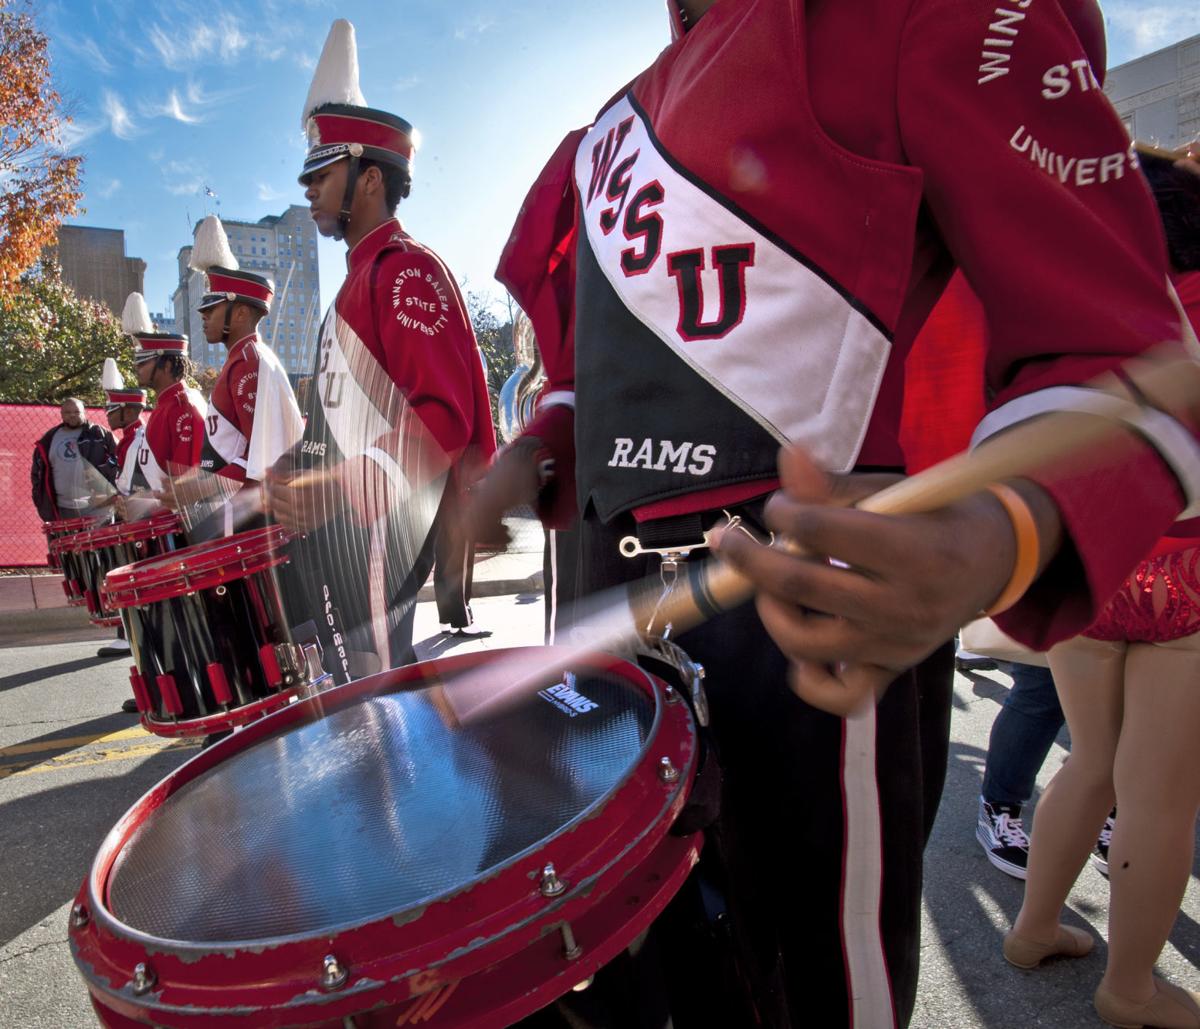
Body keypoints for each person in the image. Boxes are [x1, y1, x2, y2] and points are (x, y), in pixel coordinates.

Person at [472, 2, 1199, 1026]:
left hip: (803, 617)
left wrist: (1002, 531)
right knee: (632, 966)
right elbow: (592, 369)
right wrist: (530, 450)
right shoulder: (601, 132)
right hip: (602, 613)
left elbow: (1127, 349)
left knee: (804, 986)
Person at [1004, 144, 1200, 1029]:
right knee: (1158, 792)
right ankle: (1130, 988)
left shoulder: (1076, 306)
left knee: (1088, 760)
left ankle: (1034, 927)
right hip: (1187, 566)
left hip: (1090, 554)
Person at [266, 20, 496, 683]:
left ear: (369, 179)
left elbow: (440, 421)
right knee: (355, 708)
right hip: (350, 531)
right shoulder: (357, 283)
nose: (308, 188)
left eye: (322, 171)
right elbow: (341, 422)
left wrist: (334, 489)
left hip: (379, 534)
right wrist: (291, 468)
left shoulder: (404, 272)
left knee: (372, 704)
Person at [176, 214, 303, 538]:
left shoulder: (250, 363)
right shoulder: (240, 361)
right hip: (235, 505)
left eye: (211, 311)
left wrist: (202, 489)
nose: (203, 318)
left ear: (242, 313)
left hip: (250, 516)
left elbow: (259, 458)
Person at [115, 300, 206, 523]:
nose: (137, 369)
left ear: (166, 366)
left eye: (143, 363)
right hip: (158, 520)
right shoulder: (166, 406)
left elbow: (185, 488)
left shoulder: (183, 407)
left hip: (177, 529)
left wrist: (141, 507)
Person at [95, 360, 148, 662]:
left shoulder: (140, 439)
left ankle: (136, 641)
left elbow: (144, 483)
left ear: (129, 411)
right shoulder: (128, 440)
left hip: (141, 520)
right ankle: (130, 637)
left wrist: (123, 499)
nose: (107, 413)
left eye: (112, 408)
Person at [30, 397, 118, 523]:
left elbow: (119, 460)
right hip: (63, 508)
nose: (72, 415)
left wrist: (110, 493)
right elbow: (37, 473)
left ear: (84, 413)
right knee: (68, 543)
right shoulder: (48, 440)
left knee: (101, 542)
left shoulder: (100, 434)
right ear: (61, 414)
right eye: (67, 412)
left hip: (99, 507)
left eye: (77, 412)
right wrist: (40, 498)